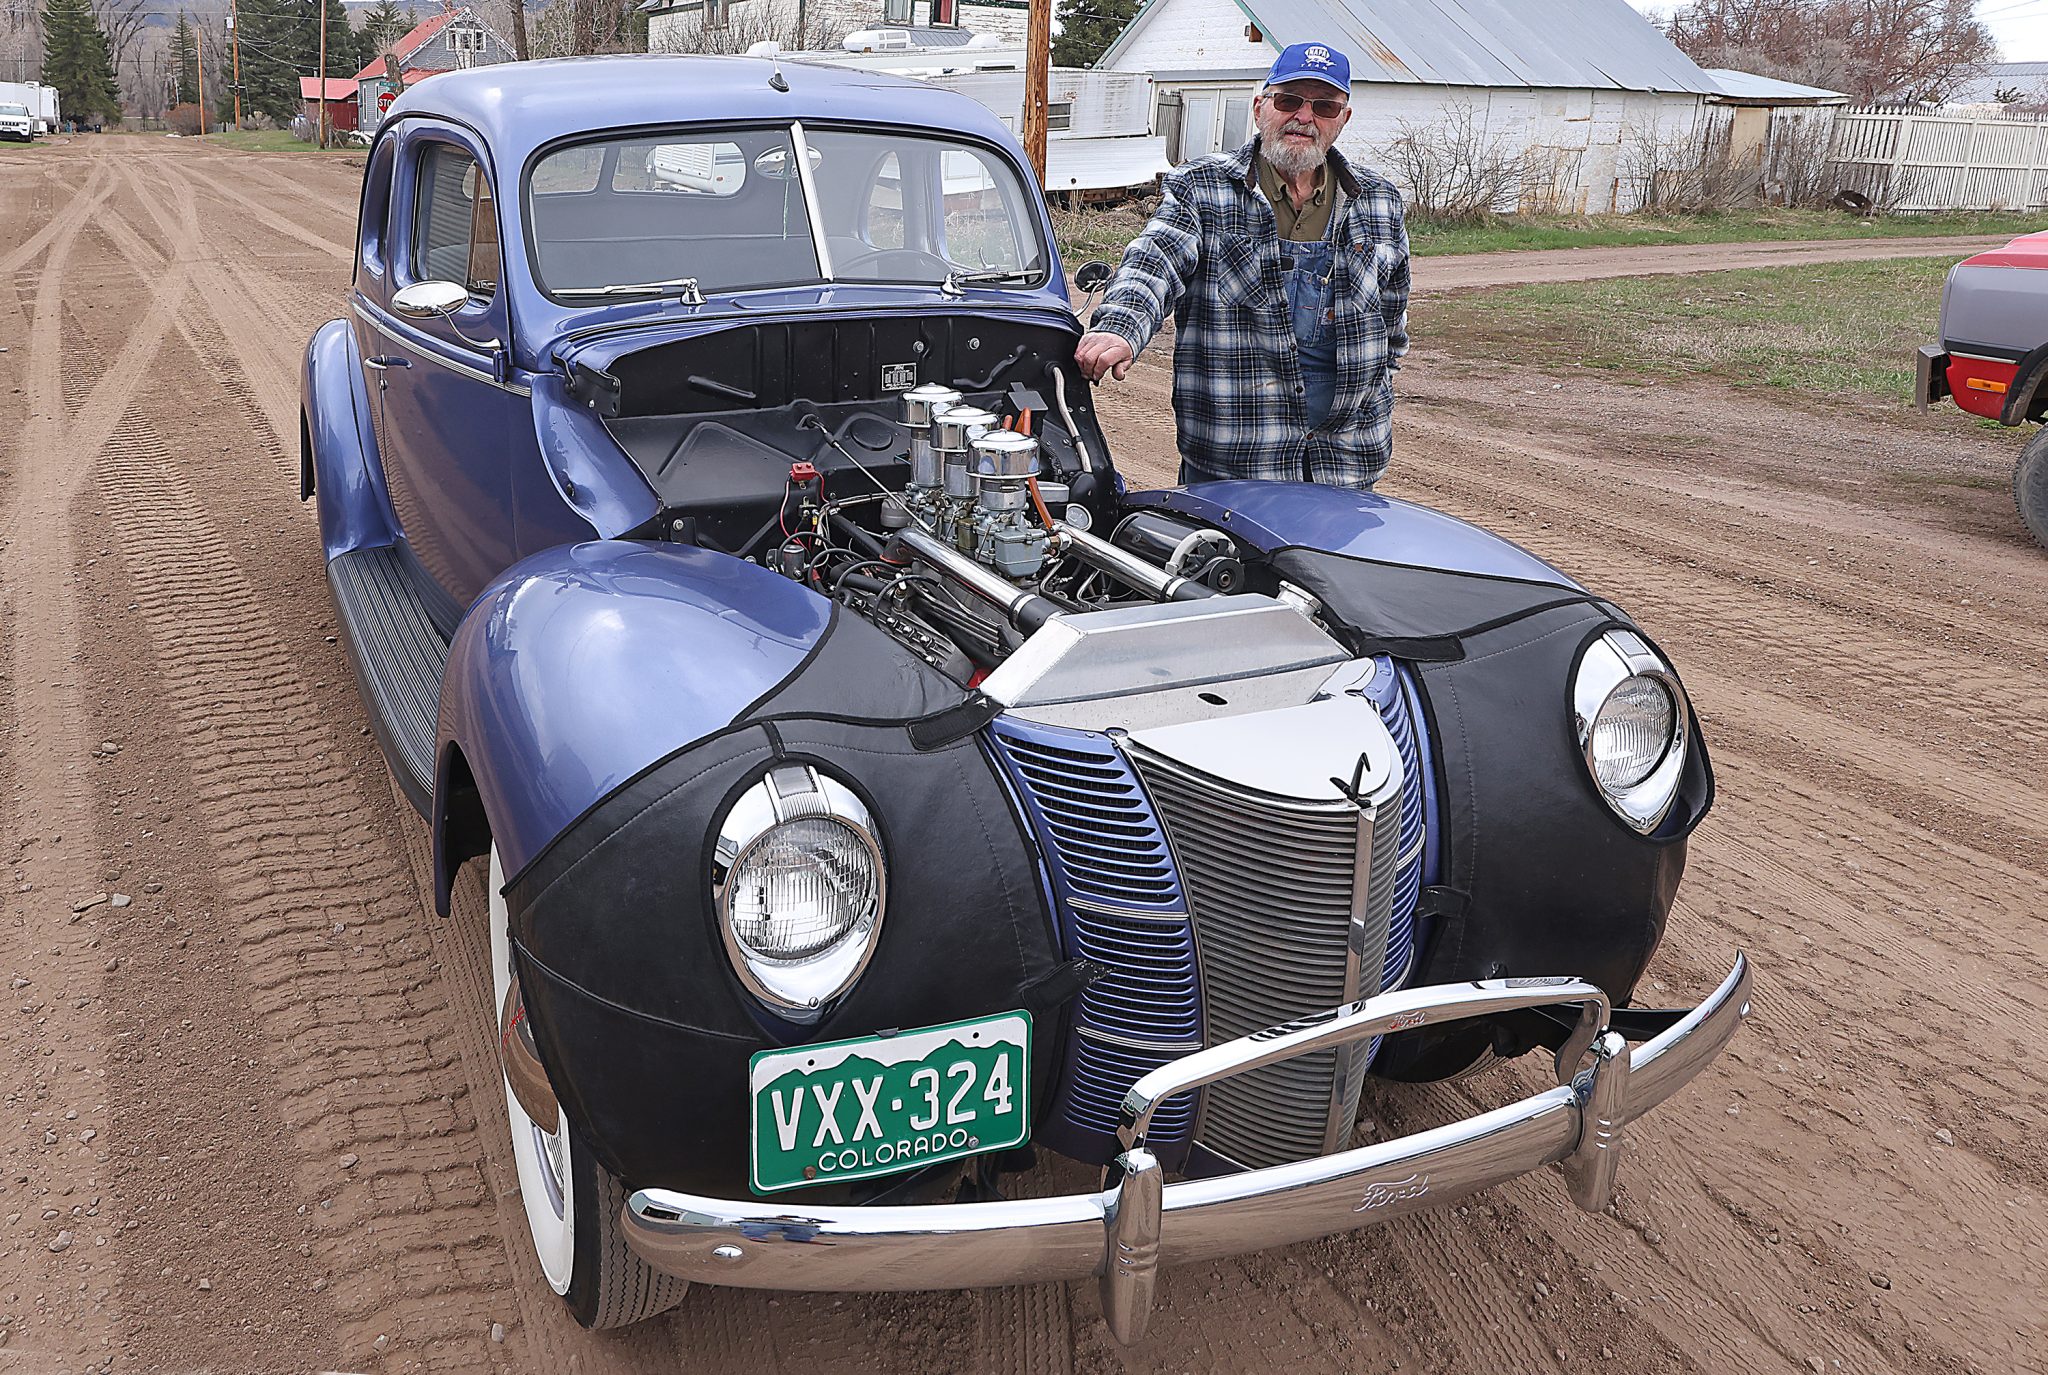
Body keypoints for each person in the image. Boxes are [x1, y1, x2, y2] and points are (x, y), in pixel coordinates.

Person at [1075, 43, 1410, 489]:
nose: (1304, 118)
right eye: (1289, 101)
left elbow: (1392, 319)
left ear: (1342, 119)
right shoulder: (1202, 187)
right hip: (1235, 464)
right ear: (1260, 107)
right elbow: (1155, 261)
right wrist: (1120, 327)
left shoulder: (1379, 200)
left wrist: (1374, 391)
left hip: (1346, 464)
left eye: (1324, 106)